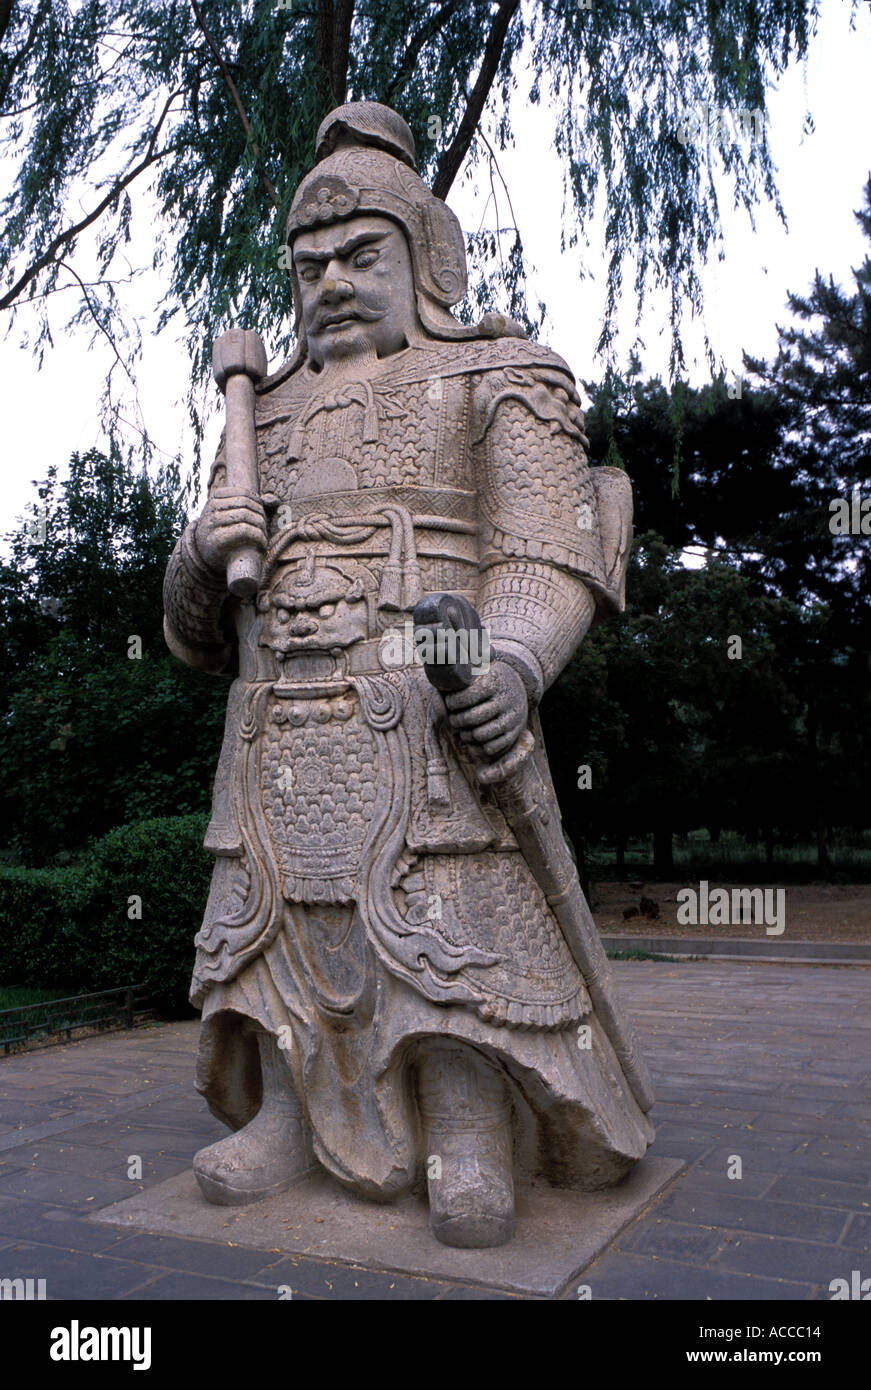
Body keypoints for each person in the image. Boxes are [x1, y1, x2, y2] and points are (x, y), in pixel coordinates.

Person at [163, 101, 653, 1249]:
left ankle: (468, 1119)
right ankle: (289, 1111)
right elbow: (191, 625)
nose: (331, 278)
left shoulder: (504, 374)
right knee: (280, 923)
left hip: (432, 673)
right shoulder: (258, 414)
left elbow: (546, 547)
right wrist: (199, 544)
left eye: (359, 253)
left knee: (448, 916)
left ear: (425, 257)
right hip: (283, 705)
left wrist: (516, 661)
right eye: (309, 262)